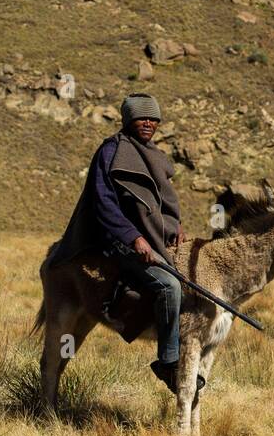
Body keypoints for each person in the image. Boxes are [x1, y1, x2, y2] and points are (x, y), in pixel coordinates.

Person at [45, 93, 186, 391]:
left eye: (153, 118)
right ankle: (168, 362)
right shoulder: (112, 151)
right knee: (169, 285)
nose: (148, 123)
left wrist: (175, 226)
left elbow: (162, 204)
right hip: (117, 242)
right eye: (141, 117)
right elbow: (103, 202)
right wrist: (133, 237)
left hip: (152, 240)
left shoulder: (155, 155)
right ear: (127, 119)